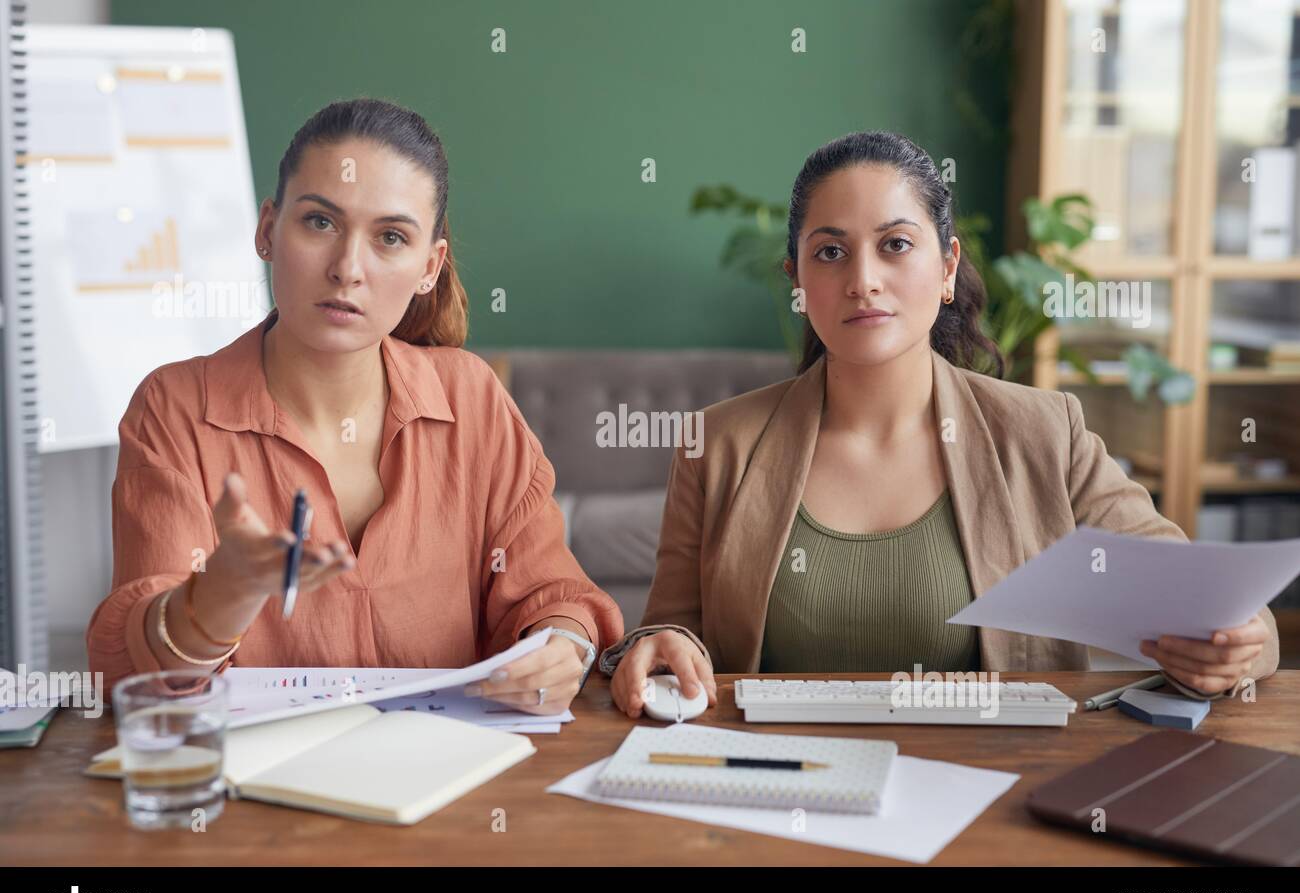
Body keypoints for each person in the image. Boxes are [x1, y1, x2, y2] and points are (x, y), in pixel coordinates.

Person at [602, 129, 1279, 718]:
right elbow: (669, 632)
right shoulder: (717, 445)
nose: (863, 280)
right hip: (779, 784)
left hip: (994, 793)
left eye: (895, 244)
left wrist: (1241, 646)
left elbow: (1220, 606)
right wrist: (662, 650)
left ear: (948, 267)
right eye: (831, 253)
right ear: (798, 282)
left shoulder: (1047, 434)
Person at [87, 98, 621, 715]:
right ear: (267, 229)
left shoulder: (471, 397)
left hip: (452, 785)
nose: (347, 269)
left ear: (430, 266)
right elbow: (142, 682)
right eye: (319, 223)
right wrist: (219, 597)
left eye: (390, 237)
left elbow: (552, 591)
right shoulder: (175, 408)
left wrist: (563, 645)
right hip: (262, 798)